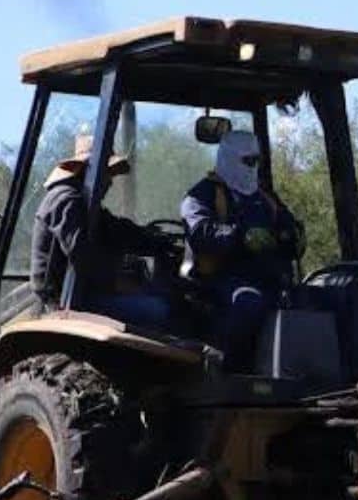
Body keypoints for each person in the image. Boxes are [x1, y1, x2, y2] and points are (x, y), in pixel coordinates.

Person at [180, 129, 304, 371]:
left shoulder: (265, 197)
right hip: (222, 280)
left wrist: (293, 238)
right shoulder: (203, 194)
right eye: (247, 161)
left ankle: (309, 376)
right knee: (247, 302)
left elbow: (287, 226)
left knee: (314, 302)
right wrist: (240, 237)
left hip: (271, 280)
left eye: (256, 160)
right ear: (229, 158)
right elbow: (199, 232)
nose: (253, 166)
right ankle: (235, 374)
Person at [30, 134, 172, 328]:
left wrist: (155, 240)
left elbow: (116, 229)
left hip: (82, 292)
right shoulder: (65, 200)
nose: (110, 182)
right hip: (66, 301)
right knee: (159, 310)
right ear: (89, 171)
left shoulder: (82, 203)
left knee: (156, 294)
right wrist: (118, 282)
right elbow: (83, 256)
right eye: (107, 172)